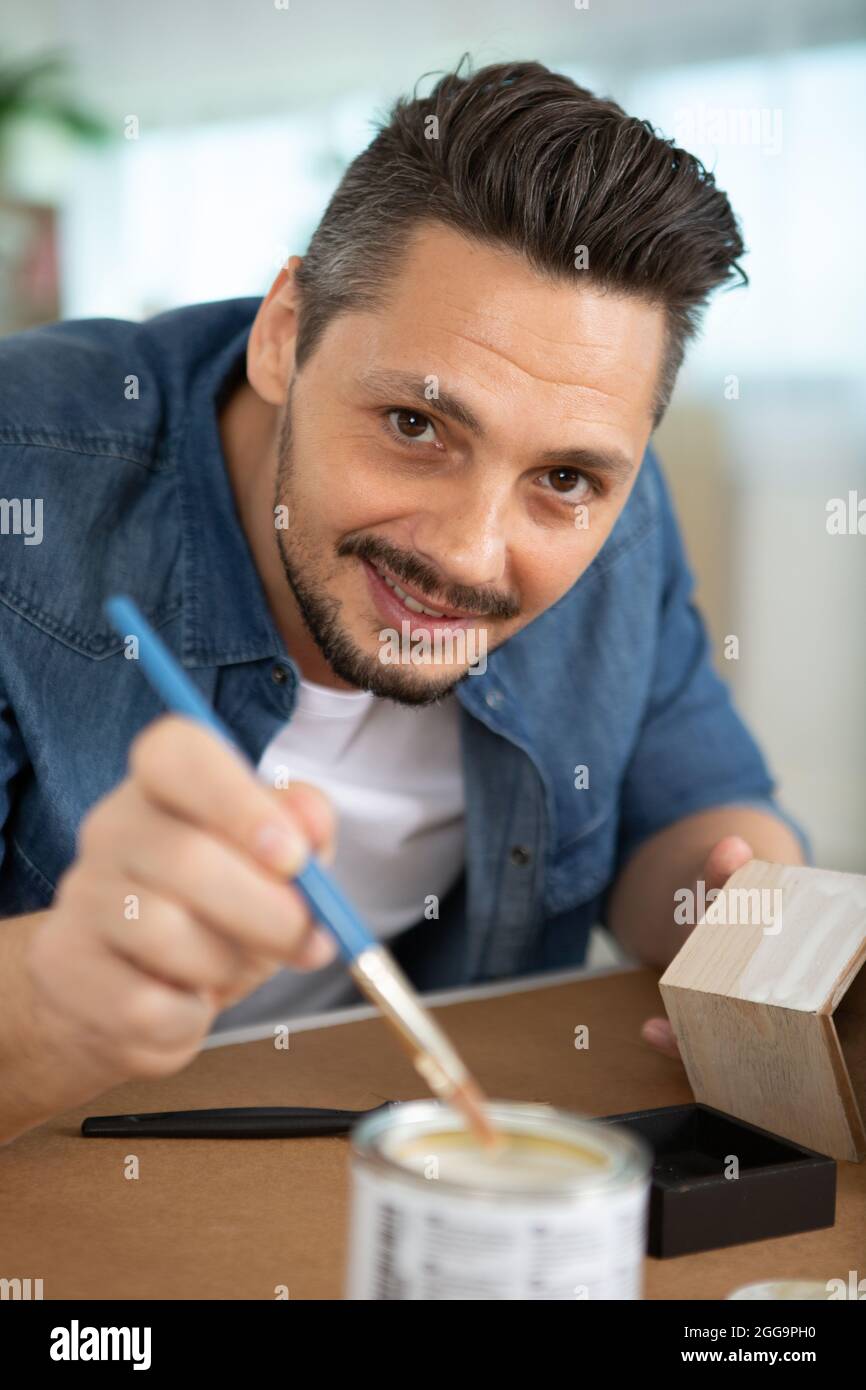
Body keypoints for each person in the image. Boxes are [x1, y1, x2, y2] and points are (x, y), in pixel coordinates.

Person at [0, 60, 807, 1145]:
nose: (471, 555)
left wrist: (774, 947)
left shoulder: (610, 492)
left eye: (563, 481)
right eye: (416, 426)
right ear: (286, 331)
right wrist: (59, 995)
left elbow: (691, 814)